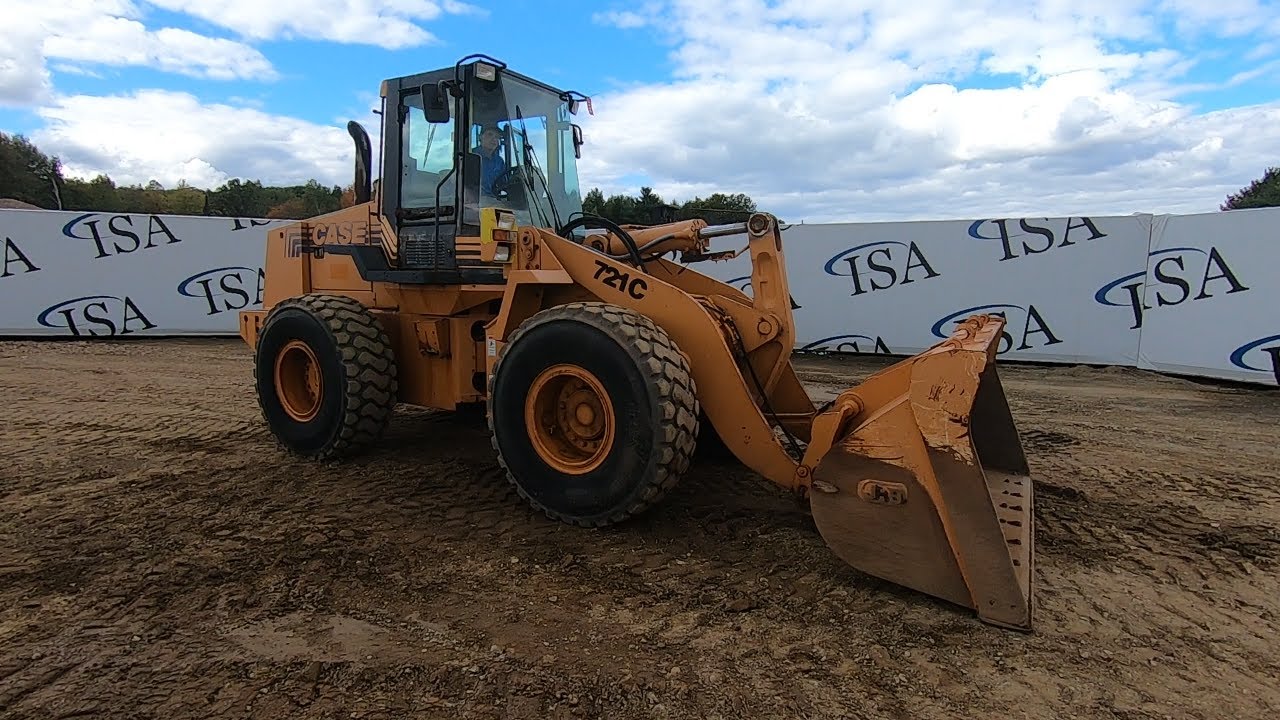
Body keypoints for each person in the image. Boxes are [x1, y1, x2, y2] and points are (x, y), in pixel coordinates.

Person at [473, 125, 507, 197]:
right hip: (473, 201)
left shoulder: (499, 161)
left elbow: (504, 184)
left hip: (492, 201)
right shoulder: (470, 156)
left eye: (497, 137)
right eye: (490, 135)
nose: (494, 139)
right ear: (480, 137)